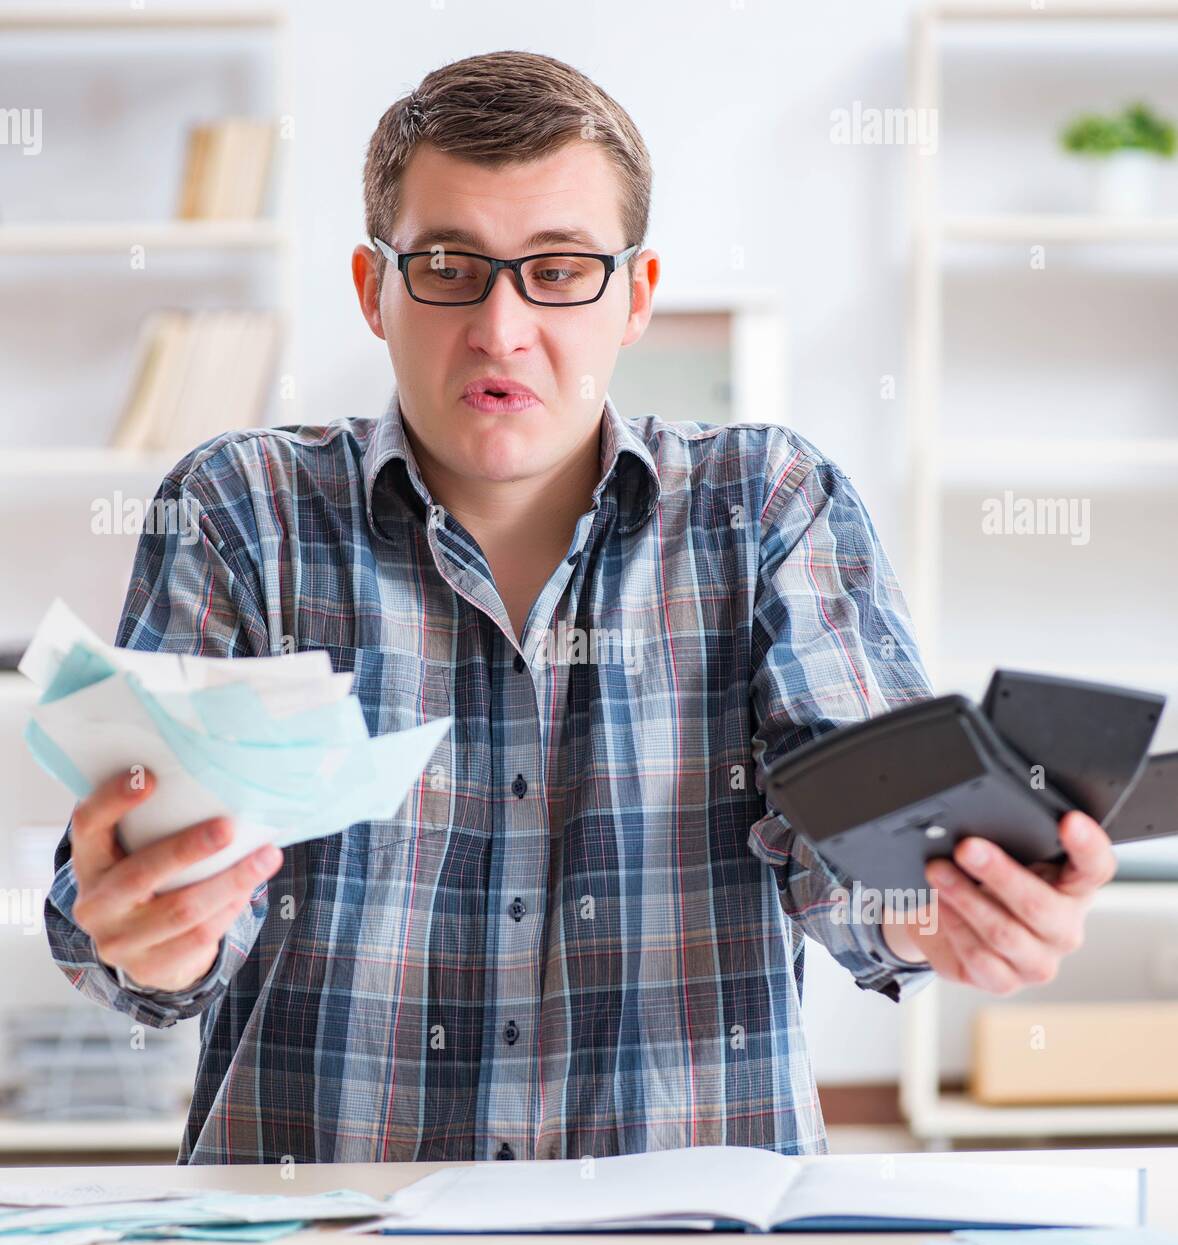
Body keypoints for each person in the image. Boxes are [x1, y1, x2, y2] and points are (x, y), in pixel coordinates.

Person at [44, 51, 1116, 1164]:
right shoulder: (239, 509)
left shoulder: (770, 507)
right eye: (450, 264)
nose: (501, 329)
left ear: (634, 297)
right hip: (319, 1242)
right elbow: (127, 896)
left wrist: (940, 905)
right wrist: (148, 942)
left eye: (557, 270)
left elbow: (855, 829)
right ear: (373, 289)